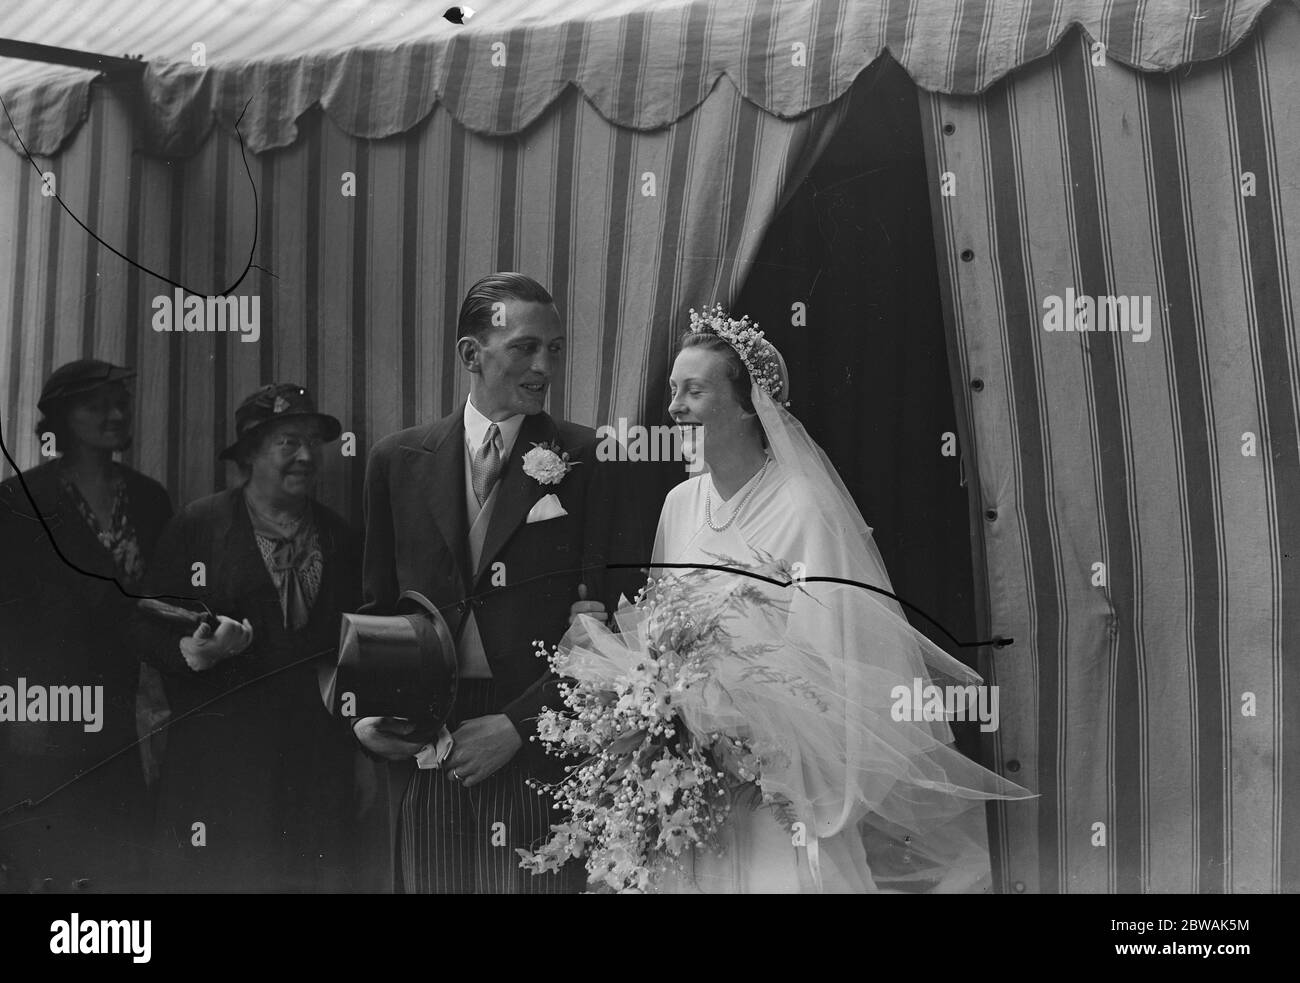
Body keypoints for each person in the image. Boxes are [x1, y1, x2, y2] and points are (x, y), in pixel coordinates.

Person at [563, 305, 1034, 893]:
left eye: (695, 391)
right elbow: (662, 631)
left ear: (748, 406)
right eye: (673, 390)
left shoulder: (803, 505)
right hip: (691, 781)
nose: (674, 407)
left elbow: (827, 660)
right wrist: (658, 709)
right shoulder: (679, 504)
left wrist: (736, 727)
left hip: (775, 778)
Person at [353, 272, 644, 894]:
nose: (544, 366)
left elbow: (611, 630)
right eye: (525, 348)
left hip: (541, 747)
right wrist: (374, 717)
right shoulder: (396, 461)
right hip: (430, 749)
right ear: (470, 354)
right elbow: (377, 608)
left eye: (555, 349)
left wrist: (516, 726)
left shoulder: (589, 461)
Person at [124, 383, 362, 892]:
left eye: (311, 444)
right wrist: (190, 652)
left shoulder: (339, 536)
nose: (304, 456)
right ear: (251, 453)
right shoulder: (200, 525)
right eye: (287, 443)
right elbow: (144, 624)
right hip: (219, 766)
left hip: (313, 766)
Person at [0, 359, 173, 893]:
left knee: (119, 852)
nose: (116, 414)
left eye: (121, 403)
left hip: (127, 705)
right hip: (46, 707)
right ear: (61, 418)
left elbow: (160, 602)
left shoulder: (149, 499)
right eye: (96, 406)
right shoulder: (16, 500)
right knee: (49, 852)